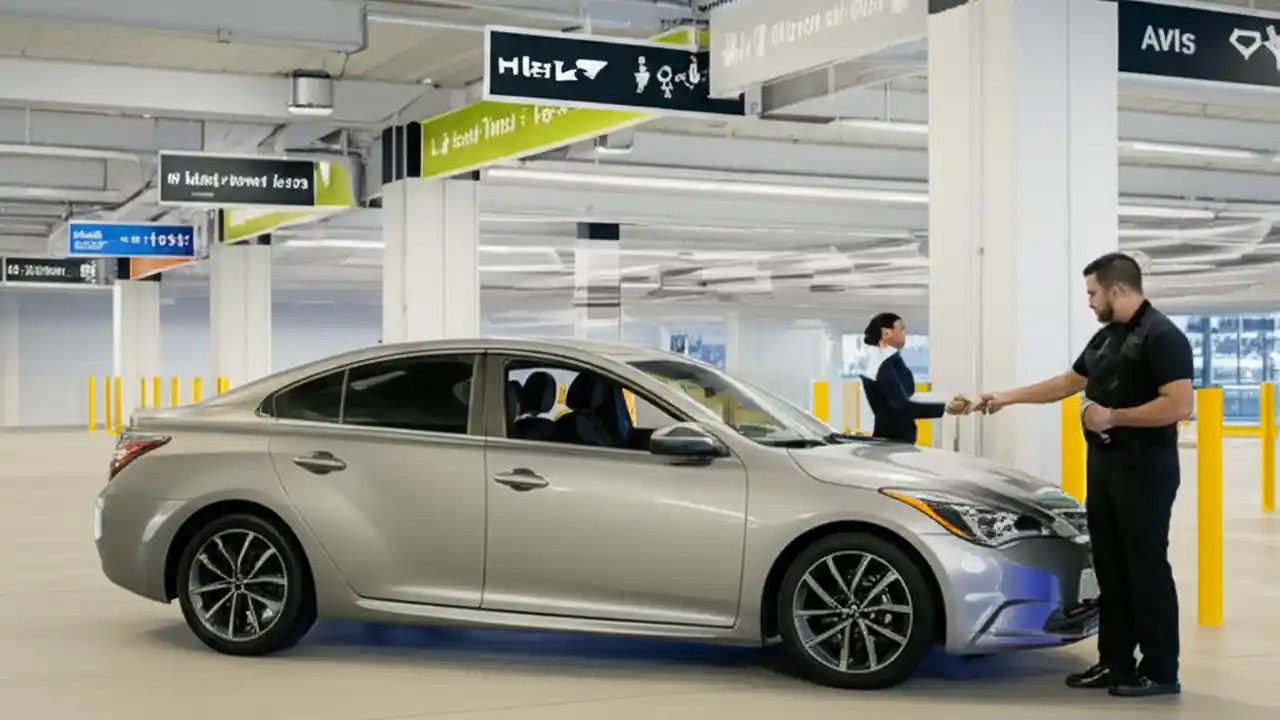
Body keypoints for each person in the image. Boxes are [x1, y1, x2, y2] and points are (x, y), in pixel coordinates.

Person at [978, 252, 1193, 698]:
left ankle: (1160, 670)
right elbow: (1065, 383)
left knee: (1145, 568)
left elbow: (1179, 405)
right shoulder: (1107, 339)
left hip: (1145, 471)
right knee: (1111, 566)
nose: (1090, 302)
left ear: (1117, 289)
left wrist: (1113, 416)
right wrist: (1006, 396)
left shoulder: (1163, 337)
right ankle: (1115, 663)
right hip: (1107, 467)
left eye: (1093, 293)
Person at [859, 312, 970, 443]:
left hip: (896, 439)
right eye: (901, 329)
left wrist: (948, 400)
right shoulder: (882, 365)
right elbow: (903, 407)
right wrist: (946, 408)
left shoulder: (891, 360)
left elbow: (908, 395)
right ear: (886, 333)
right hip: (892, 441)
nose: (905, 334)